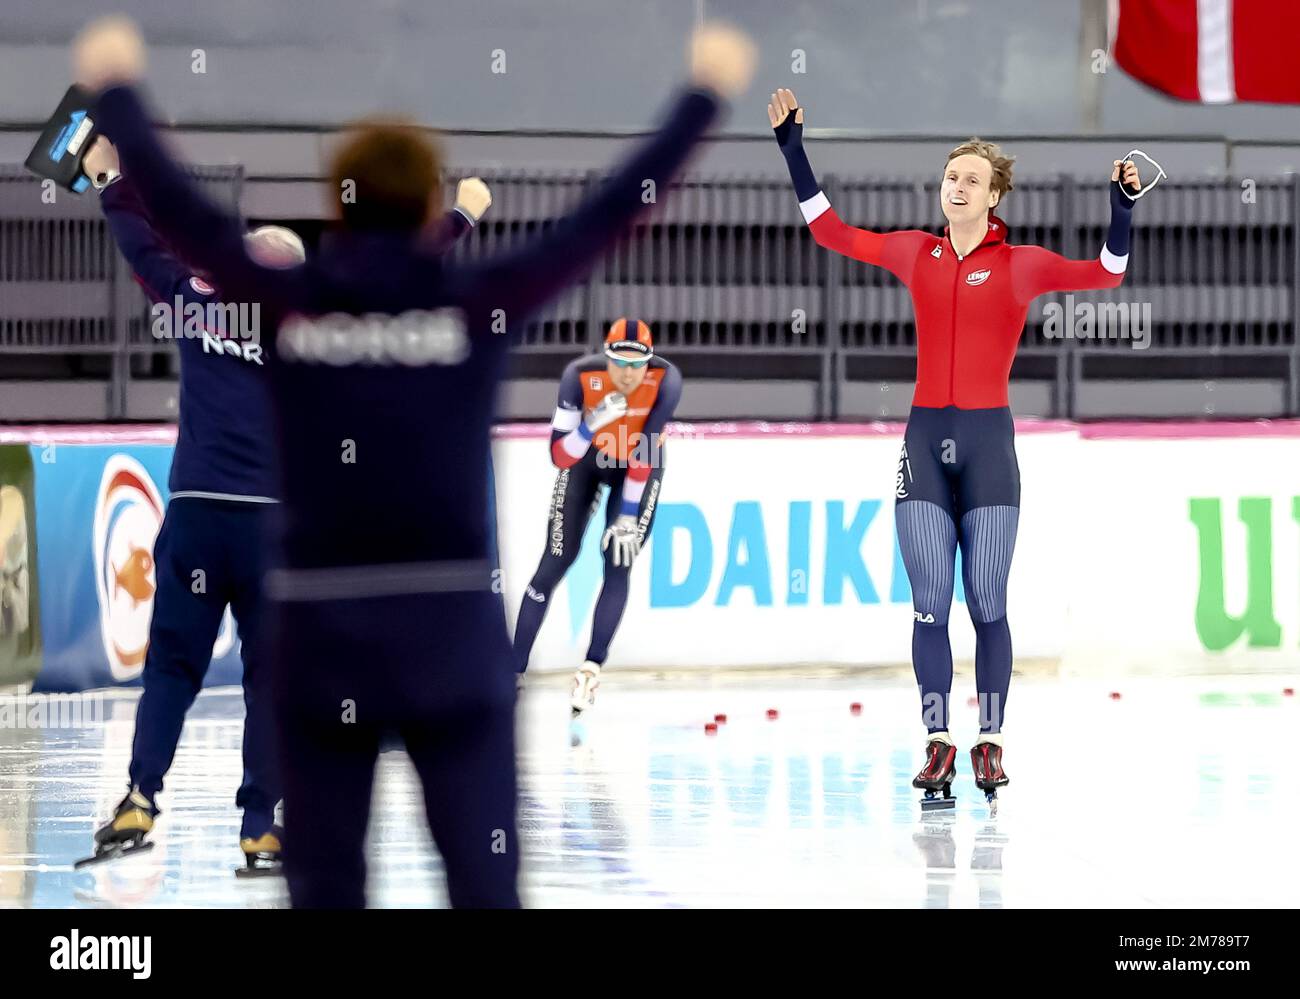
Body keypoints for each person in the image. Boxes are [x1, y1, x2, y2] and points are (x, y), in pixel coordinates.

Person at [73, 13, 755, 906]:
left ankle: (165, 797)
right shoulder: (475, 299)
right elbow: (604, 217)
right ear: (429, 210)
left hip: (324, 634)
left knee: (328, 887)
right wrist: (701, 101)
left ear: (336, 199)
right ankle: (264, 819)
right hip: (450, 636)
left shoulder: (281, 301)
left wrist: (118, 93)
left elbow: (179, 220)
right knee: (482, 881)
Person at [77, 137, 489, 875]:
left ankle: (141, 792)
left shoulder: (197, 302)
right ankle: (261, 823)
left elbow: (139, 242)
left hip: (198, 513)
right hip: (274, 526)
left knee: (172, 667)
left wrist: (110, 173)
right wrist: (461, 213)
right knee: (270, 678)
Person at [768, 87, 1145, 810]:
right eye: (951, 175)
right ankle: (938, 738)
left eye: (972, 177)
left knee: (988, 601)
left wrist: (1121, 210)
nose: (957, 184)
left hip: (988, 446)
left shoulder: (1021, 265)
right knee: (929, 604)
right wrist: (794, 149)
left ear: (996, 193)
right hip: (923, 441)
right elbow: (830, 232)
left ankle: (991, 739)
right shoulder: (918, 252)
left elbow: (1106, 273)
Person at [512, 318, 681, 714]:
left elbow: (646, 451)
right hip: (586, 461)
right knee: (554, 563)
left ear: (649, 362)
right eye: (618, 363)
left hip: (637, 465)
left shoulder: (666, 380)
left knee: (619, 560)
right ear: (605, 360)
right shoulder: (578, 376)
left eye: (636, 365)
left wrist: (626, 515)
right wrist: (590, 426)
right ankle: (512, 671)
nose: (626, 373)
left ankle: (590, 669)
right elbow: (559, 457)